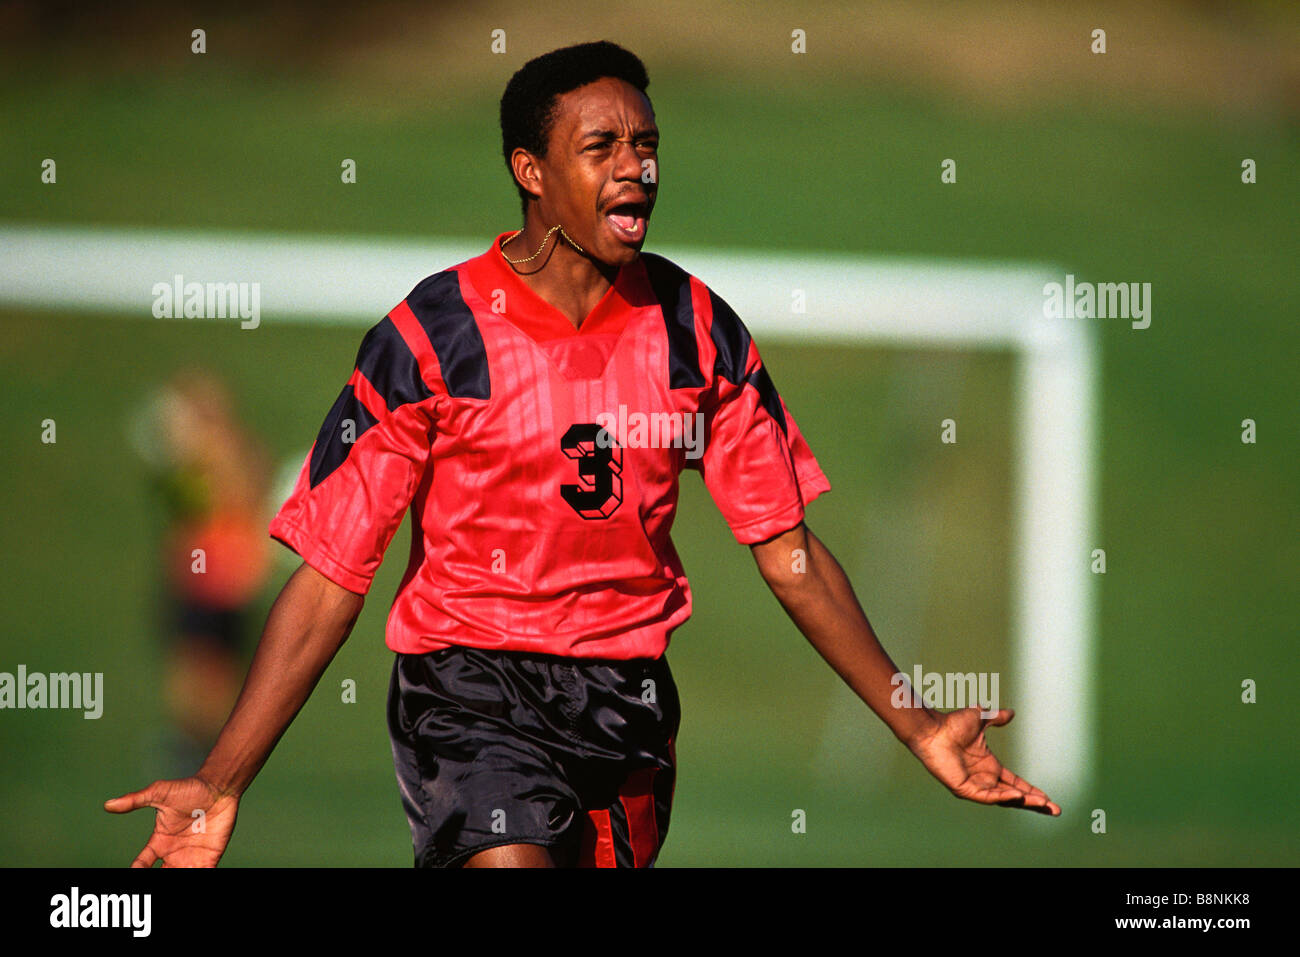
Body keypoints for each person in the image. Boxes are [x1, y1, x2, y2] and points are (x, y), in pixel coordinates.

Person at [106, 40, 1059, 869]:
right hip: (465, 684)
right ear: (530, 169)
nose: (635, 168)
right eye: (601, 147)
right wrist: (222, 778)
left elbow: (789, 553)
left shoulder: (699, 332)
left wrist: (918, 720)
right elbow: (327, 581)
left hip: (628, 699)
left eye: (645, 145)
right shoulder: (430, 338)